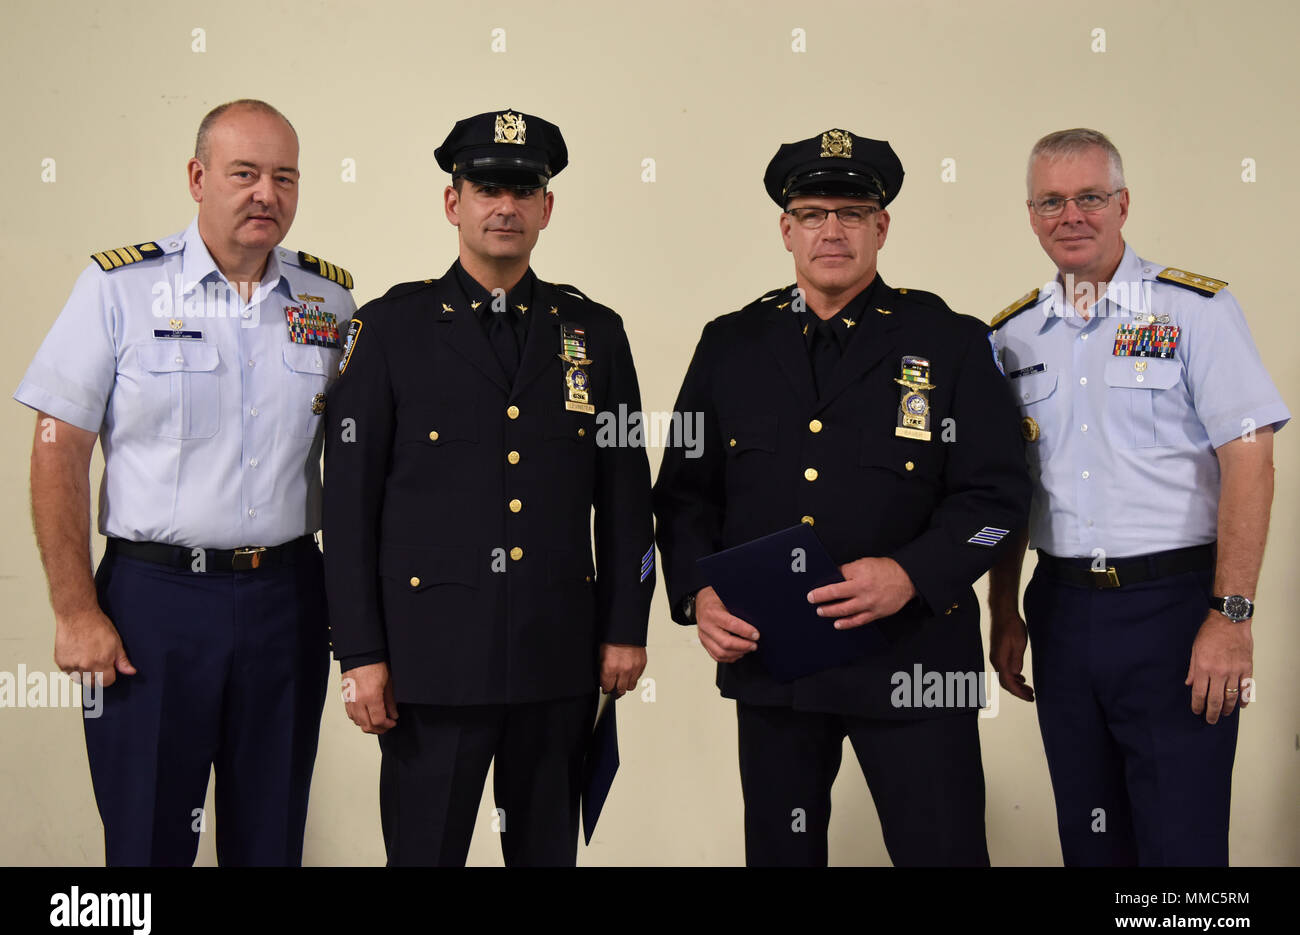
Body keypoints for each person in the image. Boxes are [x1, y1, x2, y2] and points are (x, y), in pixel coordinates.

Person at [652, 128, 1031, 866]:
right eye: (815, 212)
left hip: (917, 659)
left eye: (853, 213)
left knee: (945, 852)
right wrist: (699, 592)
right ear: (786, 228)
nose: (833, 229)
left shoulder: (949, 341)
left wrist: (911, 574)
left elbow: (997, 501)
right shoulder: (731, 343)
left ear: (881, 227)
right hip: (775, 661)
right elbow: (684, 497)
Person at [15, 99, 355, 865]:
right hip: (152, 609)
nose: (265, 193)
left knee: (269, 843)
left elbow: (363, 463)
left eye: (284, 177)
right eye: (244, 173)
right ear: (198, 178)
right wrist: (73, 609)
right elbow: (57, 449)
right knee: (145, 846)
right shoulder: (120, 290)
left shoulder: (329, 304)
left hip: (288, 602)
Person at [323, 109, 654, 866]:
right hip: (427, 667)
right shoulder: (391, 330)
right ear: (454, 204)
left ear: (546, 207)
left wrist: (626, 625)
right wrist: (360, 654)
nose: (504, 205)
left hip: (556, 659)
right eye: (485, 188)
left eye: (523, 188)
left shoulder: (594, 333)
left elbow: (627, 496)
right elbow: (347, 512)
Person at [988, 128, 1289, 866]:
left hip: (1177, 609)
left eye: (1090, 196)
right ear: (1031, 215)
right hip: (1060, 609)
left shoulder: (1196, 311)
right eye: (1051, 201)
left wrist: (1232, 615)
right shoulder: (1012, 337)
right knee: (1090, 842)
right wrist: (1005, 607)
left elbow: (1250, 460)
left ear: (1123, 204)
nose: (1072, 215)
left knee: (1180, 846)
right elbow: (1004, 489)